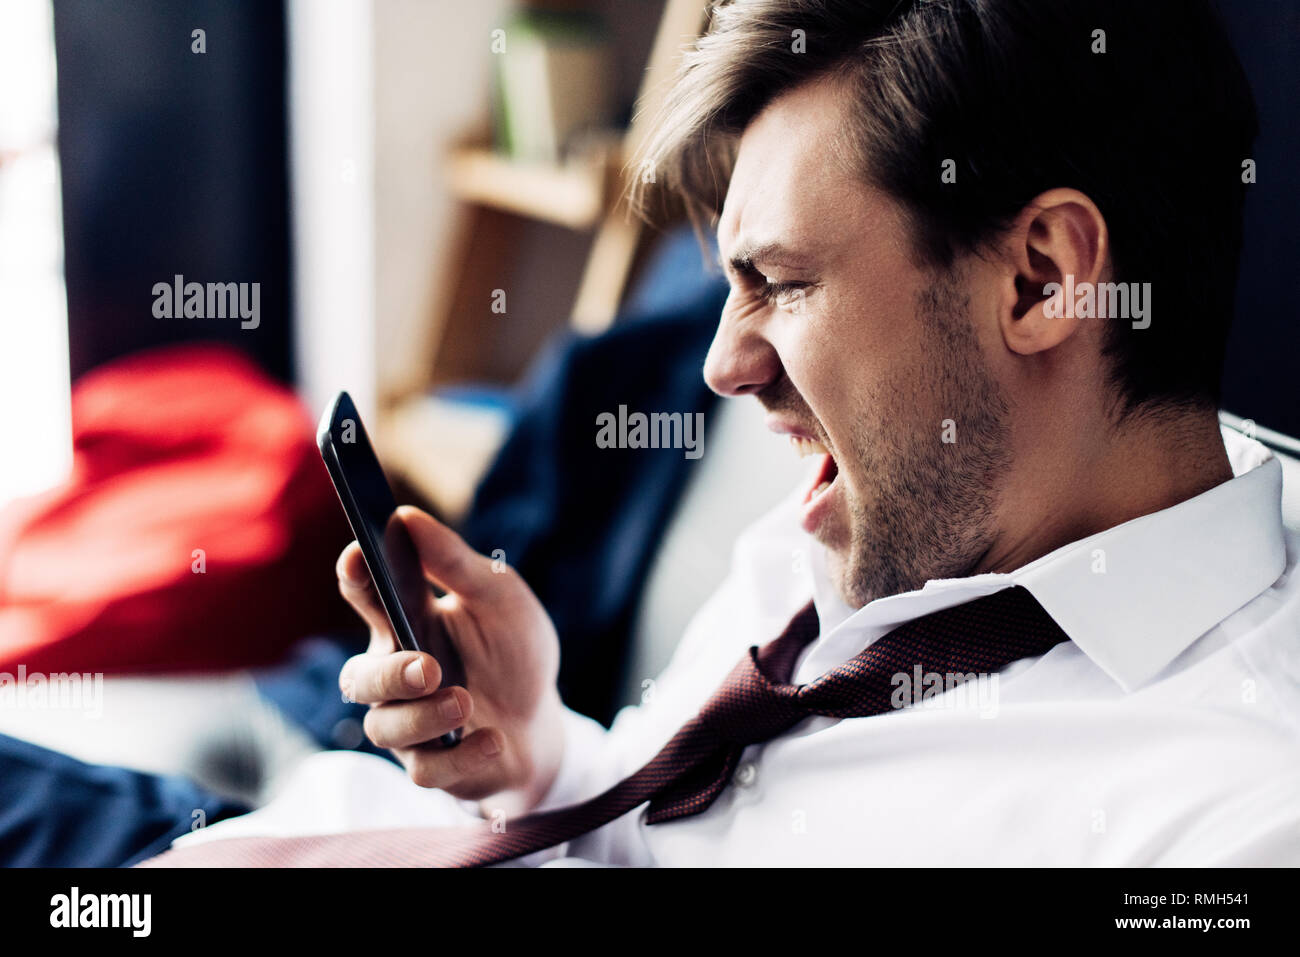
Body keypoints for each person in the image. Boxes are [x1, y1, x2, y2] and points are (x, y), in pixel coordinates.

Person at [15, 0, 1300, 867]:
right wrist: (540, 749)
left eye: (781, 284)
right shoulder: (865, 524)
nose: (720, 362)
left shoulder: (1225, 822)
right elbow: (647, 828)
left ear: (1038, 278)